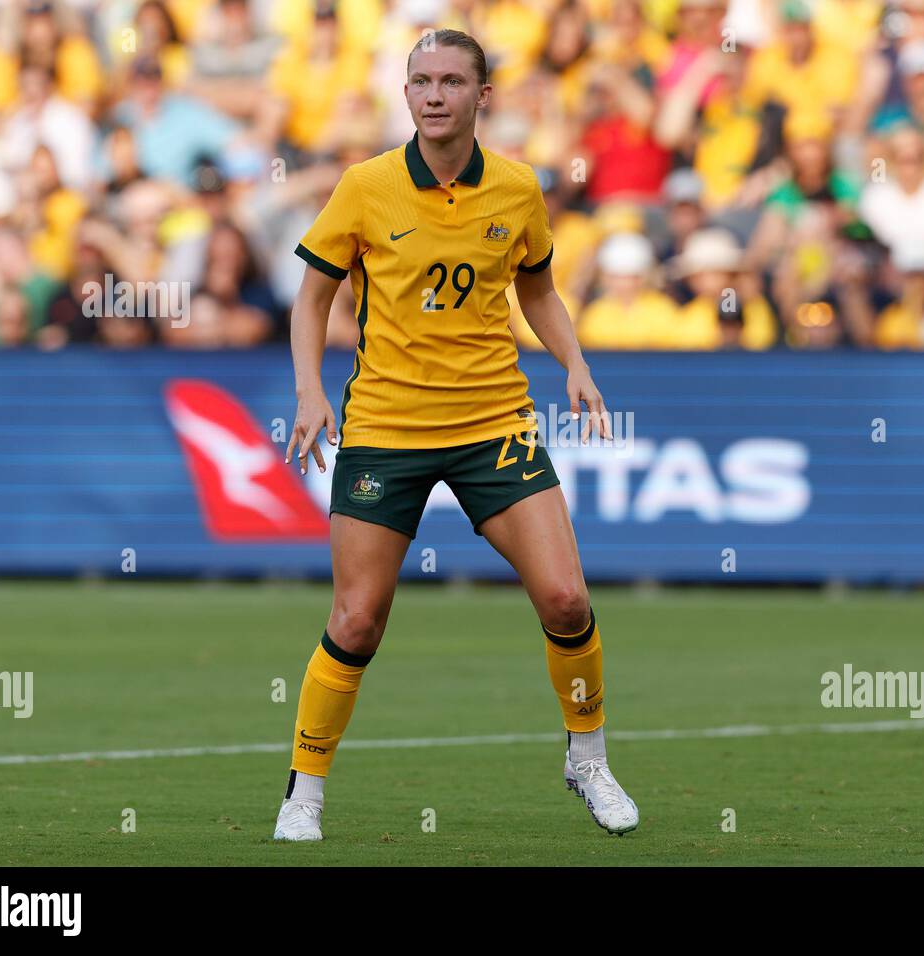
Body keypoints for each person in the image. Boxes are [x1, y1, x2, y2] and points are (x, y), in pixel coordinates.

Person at [273, 29, 638, 841]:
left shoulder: (516, 187)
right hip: (386, 427)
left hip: (493, 423)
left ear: (483, 96)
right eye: (421, 82)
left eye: (451, 81)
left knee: (567, 597)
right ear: (406, 95)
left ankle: (588, 758)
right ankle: (305, 789)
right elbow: (311, 299)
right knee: (357, 619)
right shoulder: (365, 186)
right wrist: (308, 389)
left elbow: (537, 290)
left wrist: (574, 362)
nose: (434, 95)